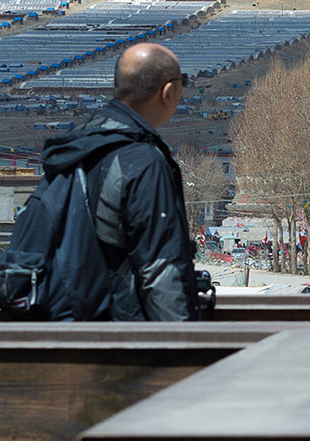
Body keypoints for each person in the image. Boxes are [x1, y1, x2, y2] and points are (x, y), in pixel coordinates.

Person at [41, 42, 200, 320]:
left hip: (67, 323)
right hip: (120, 333)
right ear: (168, 92)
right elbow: (160, 270)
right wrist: (182, 340)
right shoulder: (143, 161)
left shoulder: (80, 145)